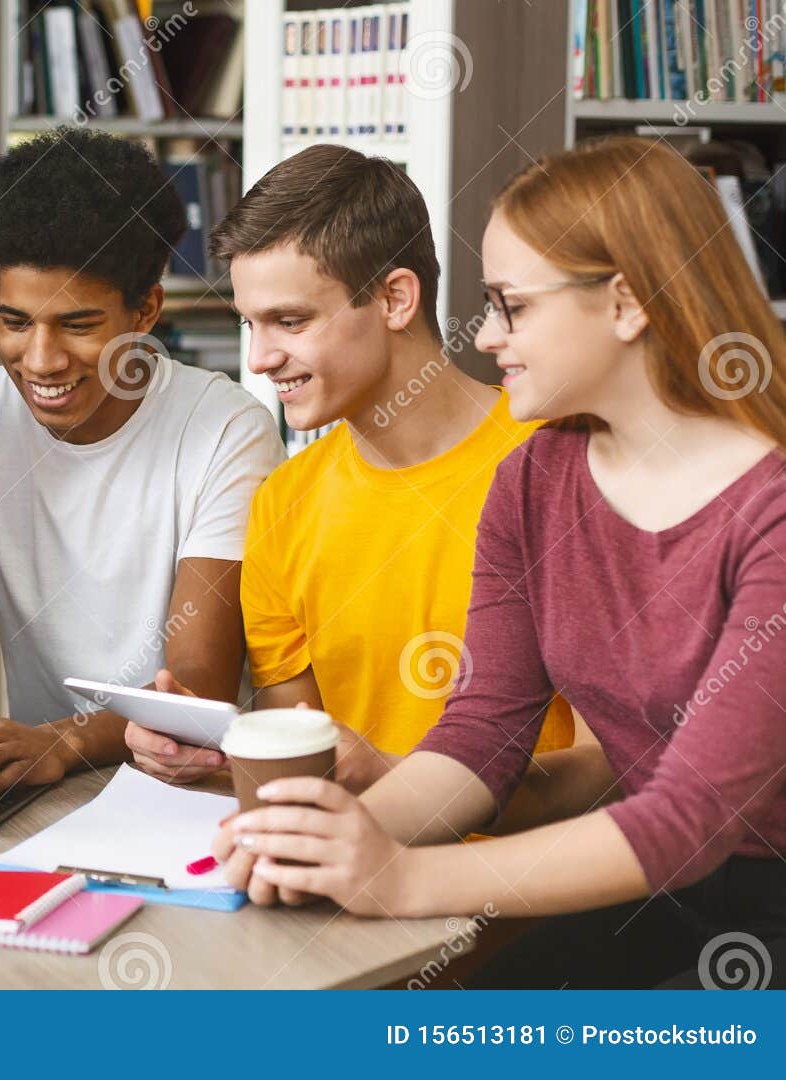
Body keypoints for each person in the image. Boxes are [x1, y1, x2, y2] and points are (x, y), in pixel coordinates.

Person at [215, 137, 786, 989]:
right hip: (660, 892)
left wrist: (397, 876)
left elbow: (690, 817)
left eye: (511, 307)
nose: (485, 336)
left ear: (626, 303)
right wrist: (334, 836)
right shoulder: (536, 478)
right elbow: (487, 727)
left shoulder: (768, 508)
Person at [125, 145, 587, 836]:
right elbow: (318, 763)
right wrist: (214, 763)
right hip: (358, 880)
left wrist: (398, 778)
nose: (259, 358)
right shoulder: (283, 504)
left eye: (291, 321)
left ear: (396, 299)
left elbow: (608, 771)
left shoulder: (563, 467)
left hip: (532, 897)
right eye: (250, 324)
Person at [0, 128, 284, 801]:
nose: (43, 360)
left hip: (186, 786)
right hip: (34, 782)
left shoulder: (226, 429)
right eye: (16, 322)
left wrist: (66, 739)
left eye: (77, 325)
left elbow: (193, 691)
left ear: (146, 310)